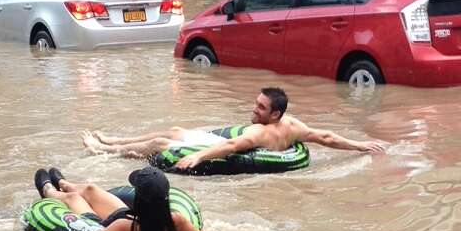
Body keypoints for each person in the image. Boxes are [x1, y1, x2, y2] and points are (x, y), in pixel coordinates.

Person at [82, 86, 387, 167]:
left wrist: (198, 157)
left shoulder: (257, 133)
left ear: (274, 114)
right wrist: (362, 145)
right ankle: (115, 139)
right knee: (175, 129)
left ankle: (105, 151)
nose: (253, 110)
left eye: (260, 108)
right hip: (217, 141)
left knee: (162, 145)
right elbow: (325, 137)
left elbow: (229, 146)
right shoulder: (292, 125)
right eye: (255, 104)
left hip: (210, 148)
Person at [25, 165, 207, 231]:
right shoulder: (176, 220)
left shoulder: (123, 228)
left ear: (138, 199)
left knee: (73, 198)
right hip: (132, 216)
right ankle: (64, 183)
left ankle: (49, 190)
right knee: (91, 189)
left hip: (98, 226)